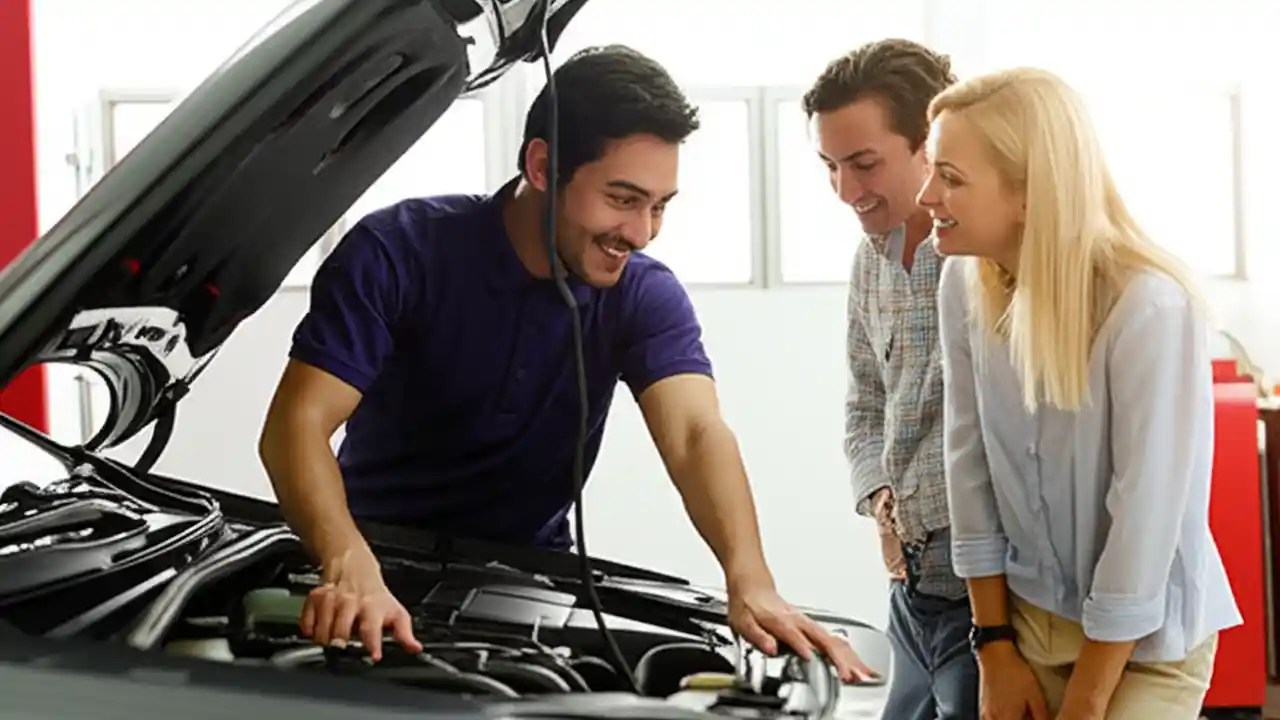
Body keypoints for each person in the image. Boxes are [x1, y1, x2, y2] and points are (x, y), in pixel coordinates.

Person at [257, 43, 871, 681]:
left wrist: (750, 577)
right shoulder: (397, 252)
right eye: (623, 198)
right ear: (543, 166)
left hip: (530, 580)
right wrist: (346, 560)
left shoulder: (643, 293)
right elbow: (295, 428)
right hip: (370, 565)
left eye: (660, 205)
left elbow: (694, 434)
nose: (640, 233)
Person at [920, 66, 1243, 719]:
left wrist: (1091, 698)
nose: (925, 193)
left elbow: (1144, 519)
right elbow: (969, 465)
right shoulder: (962, 287)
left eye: (951, 177)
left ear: (1032, 195)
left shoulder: (1148, 306)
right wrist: (995, 648)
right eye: (932, 168)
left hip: (1145, 643)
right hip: (1026, 625)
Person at [803, 39, 977, 717]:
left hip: (988, 601)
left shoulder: (981, 257)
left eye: (864, 164)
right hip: (914, 591)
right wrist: (877, 493)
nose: (846, 190)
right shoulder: (868, 259)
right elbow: (865, 403)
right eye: (830, 166)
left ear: (929, 144)